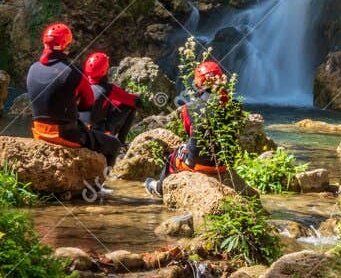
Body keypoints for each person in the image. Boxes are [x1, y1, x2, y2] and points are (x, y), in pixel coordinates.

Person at [25, 23, 118, 162]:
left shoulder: (32, 69)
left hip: (38, 131)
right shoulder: (73, 72)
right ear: (66, 46)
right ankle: (101, 181)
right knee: (114, 144)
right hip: (65, 135)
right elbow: (88, 104)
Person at [145, 57, 232, 199]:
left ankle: (159, 189)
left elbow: (190, 132)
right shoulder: (233, 105)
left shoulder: (189, 108)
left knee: (173, 157)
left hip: (197, 163)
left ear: (198, 84)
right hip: (225, 163)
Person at [83, 51, 139, 156]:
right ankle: (121, 143)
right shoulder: (108, 89)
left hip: (81, 131)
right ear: (105, 70)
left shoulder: (82, 84)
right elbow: (134, 101)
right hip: (99, 134)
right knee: (130, 106)